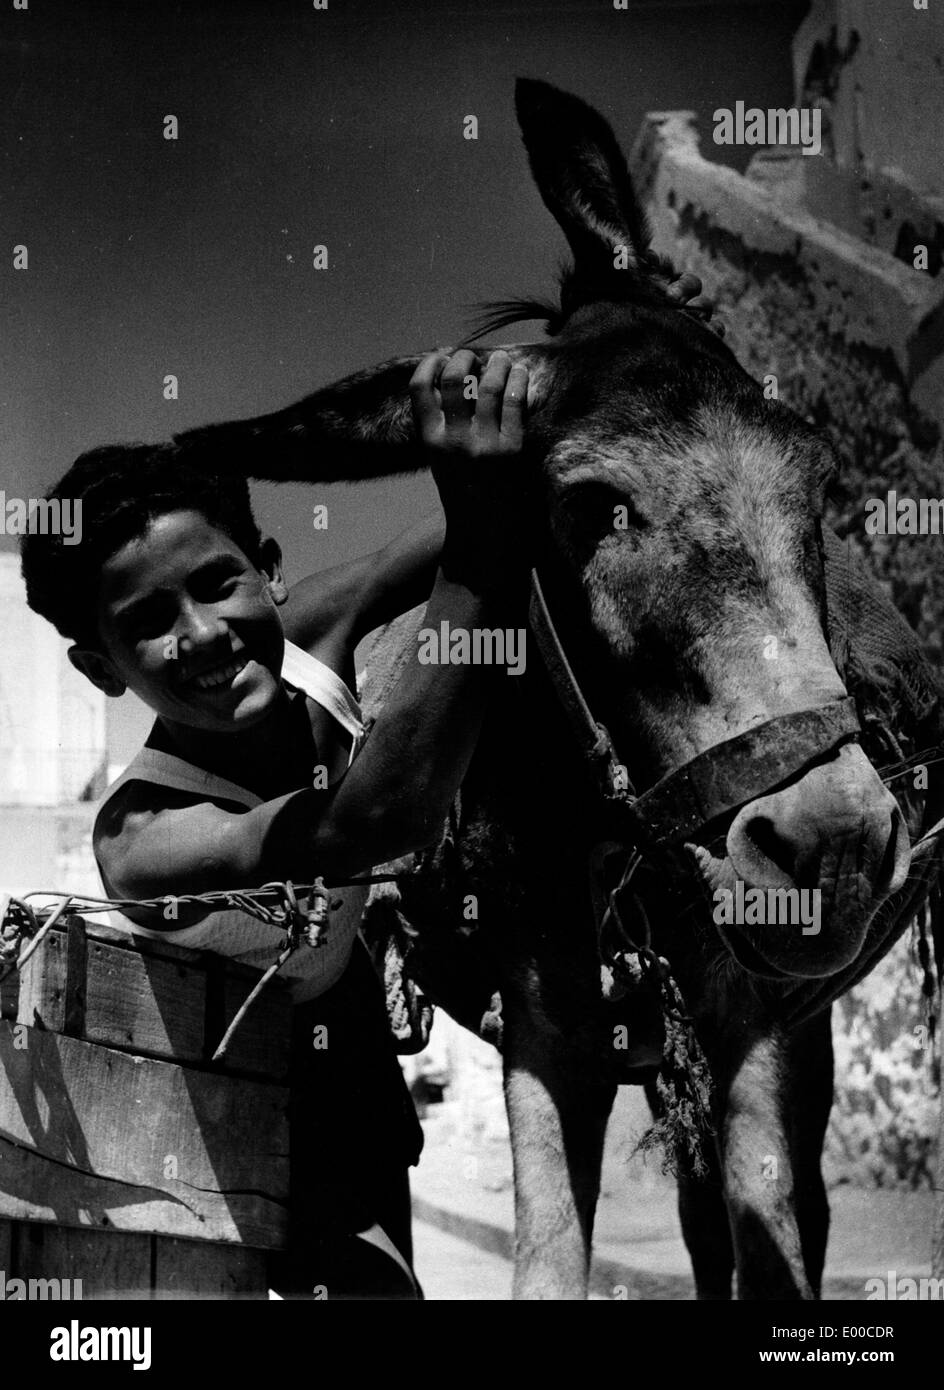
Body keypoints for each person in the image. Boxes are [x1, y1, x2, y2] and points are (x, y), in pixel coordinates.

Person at [20, 347, 532, 1299]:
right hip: (210, 1101)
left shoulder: (311, 638)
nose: (204, 635)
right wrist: (490, 531)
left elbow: (481, 520)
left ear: (269, 572)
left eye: (218, 584)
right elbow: (376, 819)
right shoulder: (144, 837)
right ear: (100, 669)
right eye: (147, 622)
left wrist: (522, 422)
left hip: (347, 1070)